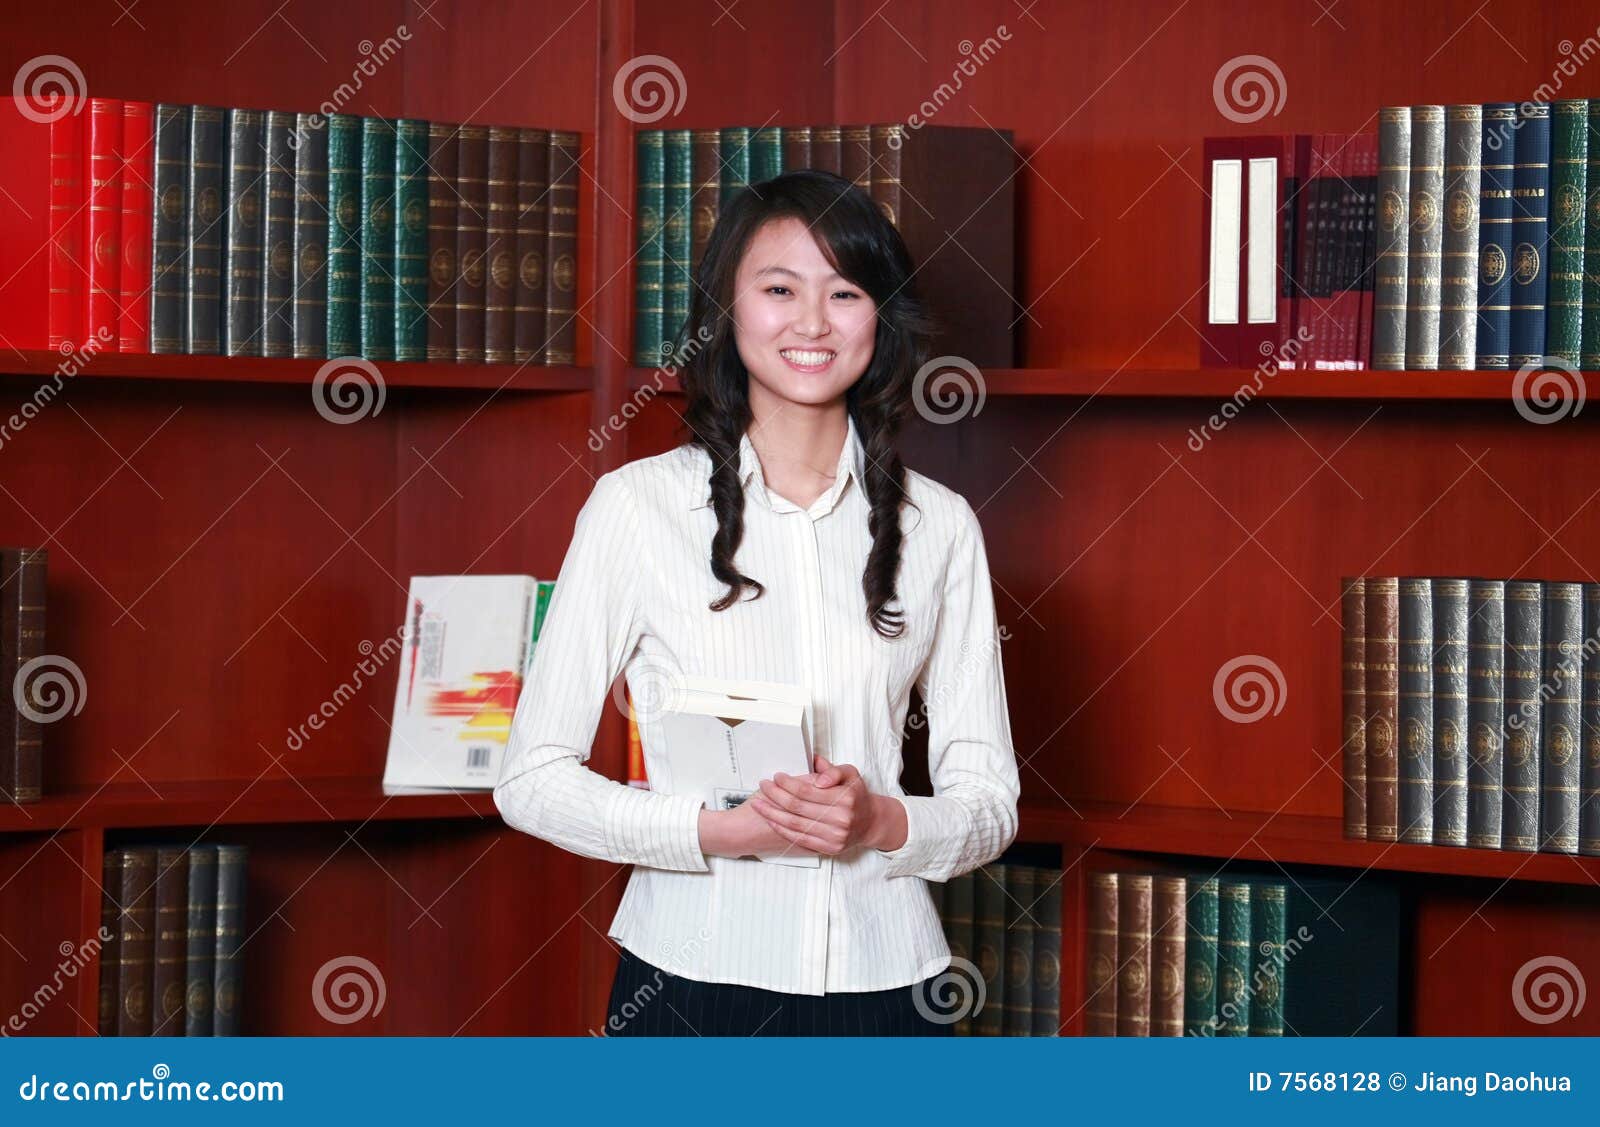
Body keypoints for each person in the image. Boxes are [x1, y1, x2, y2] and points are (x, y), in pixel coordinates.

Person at [494, 169, 1019, 1036]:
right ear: (727, 309)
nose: (812, 322)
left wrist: (882, 818)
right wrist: (710, 833)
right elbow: (531, 781)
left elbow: (990, 802)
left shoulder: (942, 527)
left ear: (879, 318)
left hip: (894, 992)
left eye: (845, 292)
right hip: (690, 985)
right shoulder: (638, 507)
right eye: (779, 288)